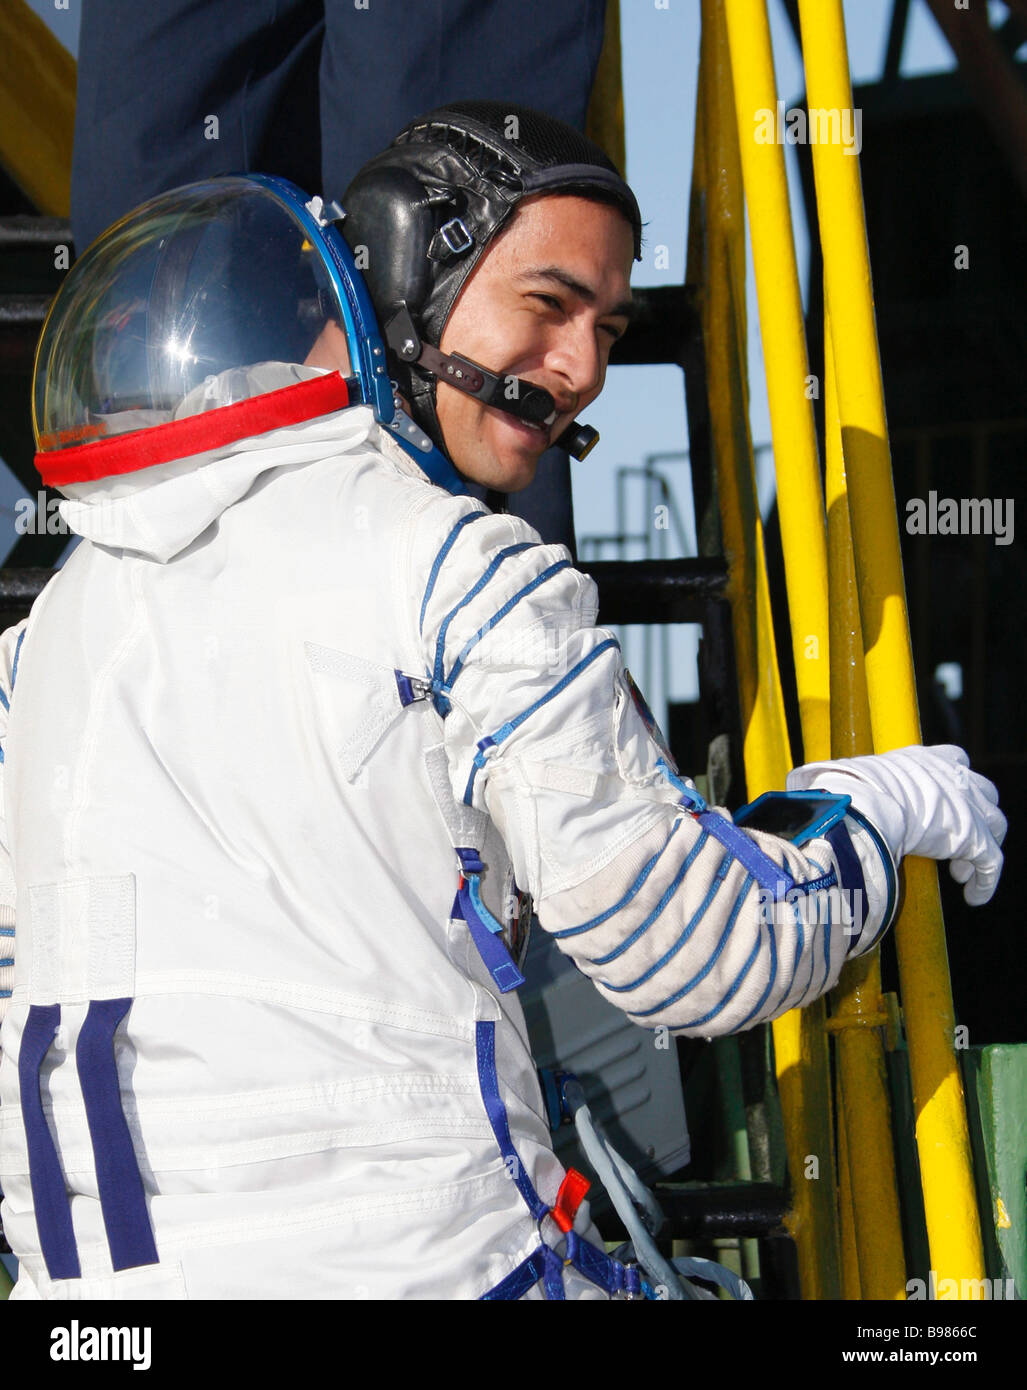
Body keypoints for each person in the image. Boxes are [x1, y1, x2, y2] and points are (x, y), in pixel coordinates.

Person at [0, 103, 1006, 1301]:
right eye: (547, 304)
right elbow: (698, 952)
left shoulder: (50, 630)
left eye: (608, 326)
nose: (582, 369)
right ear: (414, 278)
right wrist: (877, 817)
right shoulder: (455, 569)